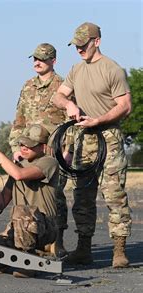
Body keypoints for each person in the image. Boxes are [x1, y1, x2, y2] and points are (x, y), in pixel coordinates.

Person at [52, 22, 132, 268]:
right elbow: (58, 95)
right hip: (84, 139)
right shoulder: (76, 70)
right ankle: (84, 249)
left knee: (114, 194)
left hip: (108, 138)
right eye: (75, 46)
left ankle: (119, 250)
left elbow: (125, 106)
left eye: (83, 44)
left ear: (96, 41)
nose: (78, 49)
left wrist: (99, 119)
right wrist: (69, 105)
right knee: (82, 196)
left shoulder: (112, 69)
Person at [8, 43, 70, 257]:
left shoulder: (62, 86)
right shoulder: (28, 86)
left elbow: (71, 123)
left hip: (52, 153)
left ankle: (56, 242)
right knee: (26, 194)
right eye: (35, 58)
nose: (37, 62)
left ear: (53, 61)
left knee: (55, 198)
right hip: (28, 150)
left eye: (42, 59)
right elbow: (19, 120)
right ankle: (27, 240)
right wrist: (16, 147)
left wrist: (67, 151)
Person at [0, 124, 59, 278]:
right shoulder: (18, 166)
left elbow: (19, 175)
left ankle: (27, 259)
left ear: (43, 147)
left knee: (22, 211)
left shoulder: (49, 162)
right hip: (19, 231)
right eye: (22, 144)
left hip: (45, 227)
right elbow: (0, 203)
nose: (24, 147)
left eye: (30, 145)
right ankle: (22, 259)